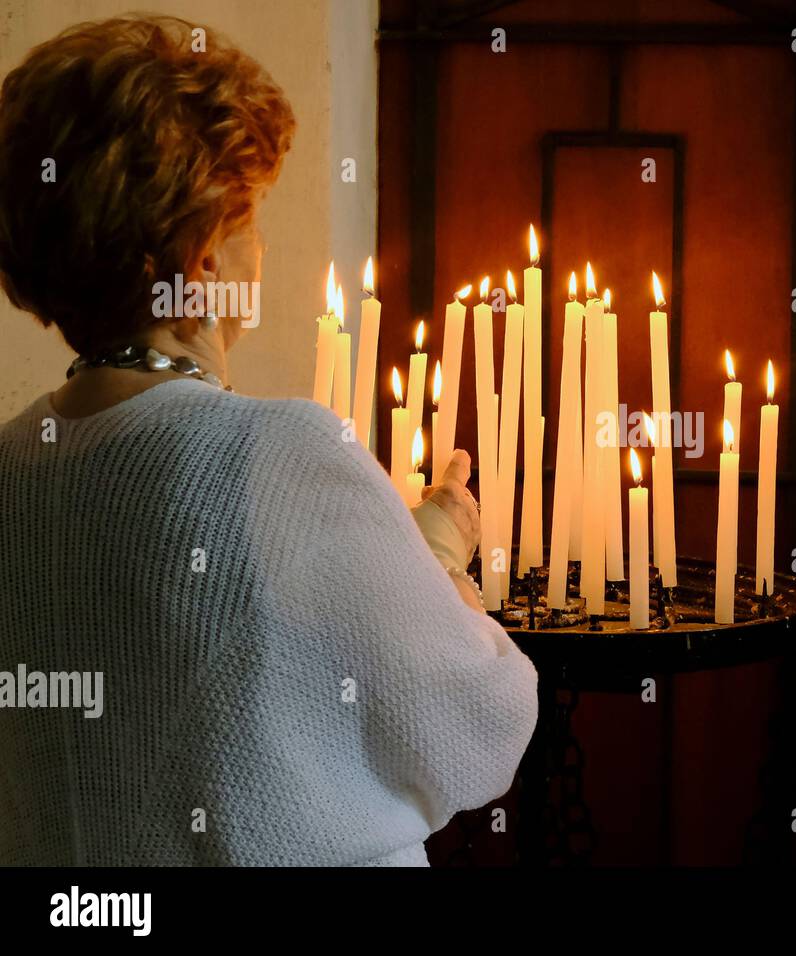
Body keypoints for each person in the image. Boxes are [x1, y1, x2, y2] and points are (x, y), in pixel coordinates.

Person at [0, 14, 537, 866]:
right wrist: (437, 561)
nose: (263, 249)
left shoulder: (11, 467)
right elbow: (480, 727)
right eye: (250, 218)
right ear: (204, 257)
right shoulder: (281, 455)